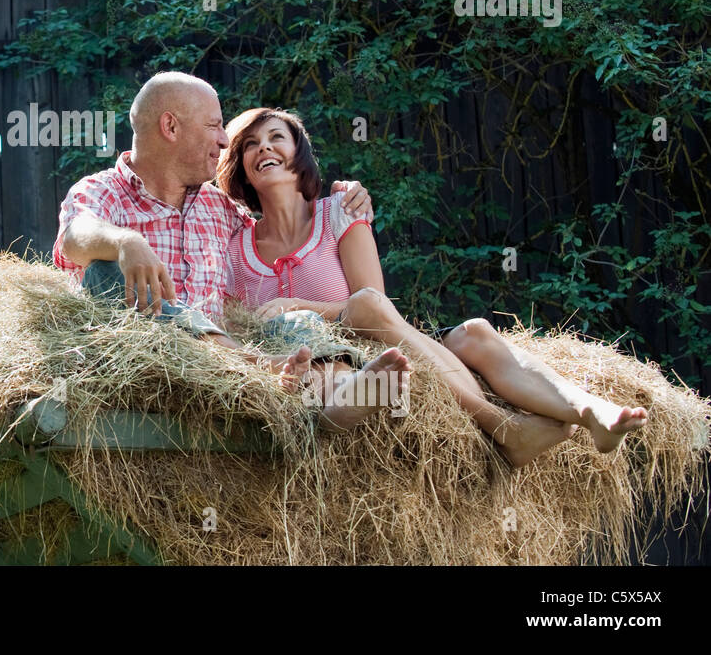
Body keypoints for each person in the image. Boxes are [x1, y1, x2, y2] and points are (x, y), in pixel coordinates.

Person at [216, 105, 650, 466]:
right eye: (250, 145)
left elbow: (373, 304)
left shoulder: (339, 212)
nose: (264, 148)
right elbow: (240, 329)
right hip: (343, 369)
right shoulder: (236, 249)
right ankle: (502, 426)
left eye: (276, 137)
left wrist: (296, 302)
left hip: (375, 336)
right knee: (440, 328)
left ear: (299, 154)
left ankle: (593, 410)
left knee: (476, 330)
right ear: (242, 170)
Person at [53, 71, 411, 431]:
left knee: (295, 321)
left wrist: (341, 204)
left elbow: (281, 238)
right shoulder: (103, 191)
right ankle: (250, 362)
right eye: (214, 125)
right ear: (171, 127)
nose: (224, 140)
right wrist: (125, 242)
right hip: (146, 364)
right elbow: (75, 235)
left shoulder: (220, 209)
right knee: (105, 271)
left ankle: (342, 396)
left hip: (223, 378)